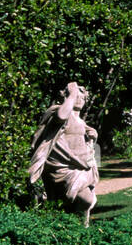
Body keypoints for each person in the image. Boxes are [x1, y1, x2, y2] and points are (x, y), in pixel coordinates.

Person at [29, 81, 99, 226]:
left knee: (80, 203)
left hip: (80, 168)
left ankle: (79, 228)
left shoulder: (80, 121)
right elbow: (61, 116)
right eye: (76, 97)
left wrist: (92, 135)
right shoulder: (58, 112)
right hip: (62, 167)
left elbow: (85, 140)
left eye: (83, 98)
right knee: (84, 199)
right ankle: (71, 227)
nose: (80, 100)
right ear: (67, 96)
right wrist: (72, 93)